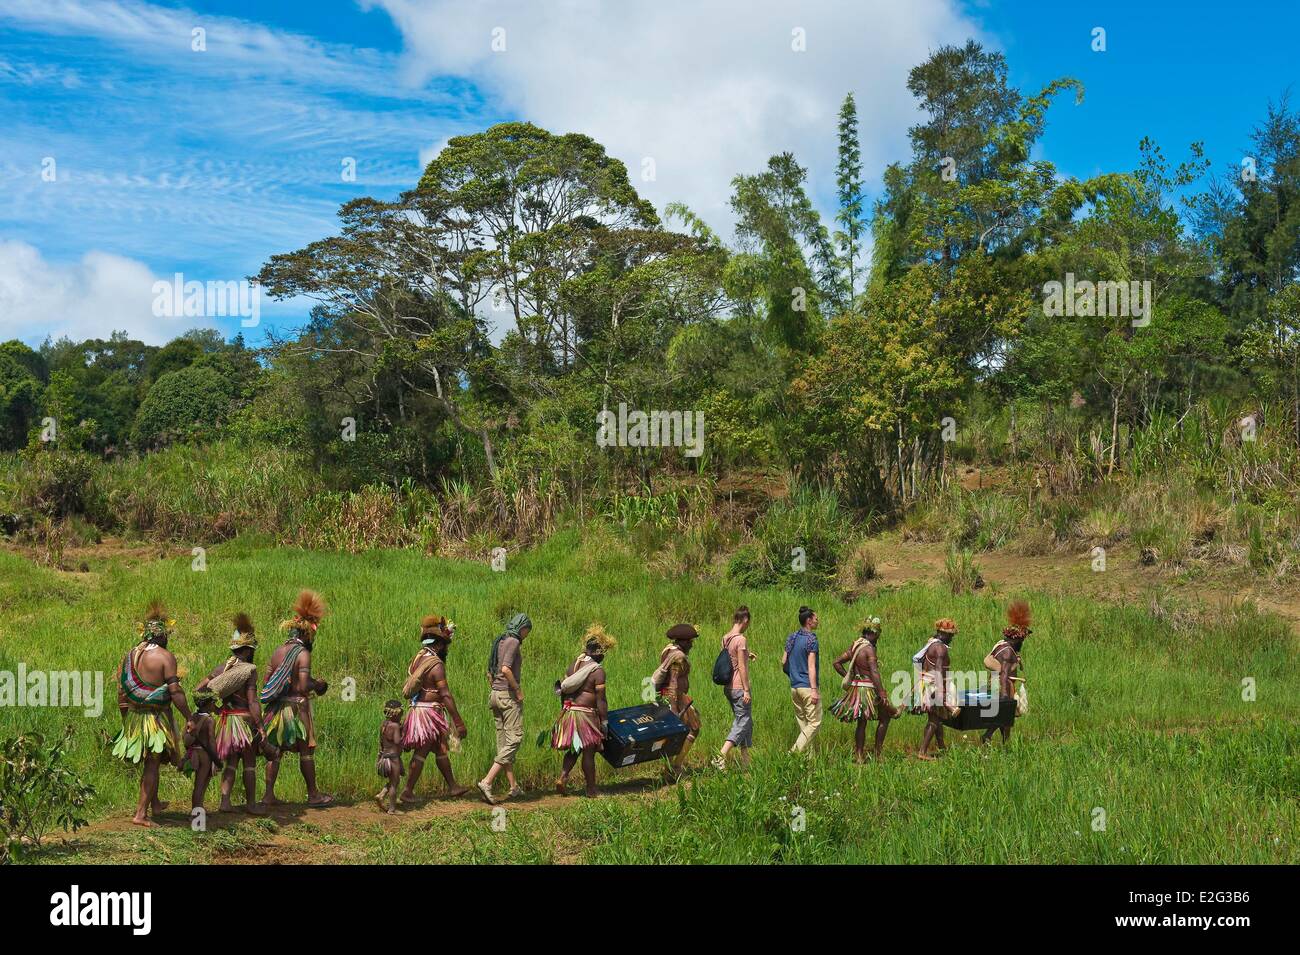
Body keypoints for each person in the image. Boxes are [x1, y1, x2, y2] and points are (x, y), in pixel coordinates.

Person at [111, 600, 191, 827]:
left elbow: (122, 692)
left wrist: (125, 721)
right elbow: (175, 692)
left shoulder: (130, 655)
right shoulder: (165, 657)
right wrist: (189, 716)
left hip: (135, 717)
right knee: (153, 763)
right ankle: (140, 814)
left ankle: (155, 803)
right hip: (153, 719)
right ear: (162, 635)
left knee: (150, 761)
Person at [260, 590, 333, 807]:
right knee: (306, 751)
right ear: (306, 634)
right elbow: (302, 686)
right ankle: (313, 795)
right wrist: (318, 685)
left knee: (276, 752)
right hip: (296, 709)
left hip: (277, 709)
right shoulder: (303, 653)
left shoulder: (277, 651)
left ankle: (268, 795)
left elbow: (267, 681)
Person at [197, 613, 270, 815]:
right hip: (243, 722)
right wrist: (261, 726)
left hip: (225, 721)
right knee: (249, 763)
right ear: (247, 651)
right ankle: (252, 804)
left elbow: (199, 690)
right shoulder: (249, 670)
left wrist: (216, 709)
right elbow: (253, 701)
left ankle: (225, 802)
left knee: (231, 762)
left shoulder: (221, 668)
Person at [399, 614, 470, 801]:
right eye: (446, 645)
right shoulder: (436, 664)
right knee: (422, 751)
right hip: (428, 713)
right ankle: (407, 791)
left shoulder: (419, 657)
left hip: (421, 709)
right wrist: (458, 722)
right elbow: (445, 695)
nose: (447, 649)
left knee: (440, 748)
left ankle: (453, 786)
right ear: (439, 644)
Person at [552, 624, 615, 798]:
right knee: (588, 750)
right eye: (603, 653)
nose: (604, 656)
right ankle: (591, 790)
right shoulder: (597, 671)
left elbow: (564, 690)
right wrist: (604, 721)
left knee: (574, 748)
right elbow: (601, 699)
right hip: (585, 715)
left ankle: (563, 778)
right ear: (598, 652)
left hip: (570, 711)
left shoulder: (574, 664)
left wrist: (563, 710)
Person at [477, 612, 532, 805]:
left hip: (495, 696)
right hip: (507, 697)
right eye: (527, 631)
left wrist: (496, 688)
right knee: (515, 739)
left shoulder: (500, 641)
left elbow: (489, 672)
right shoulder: (513, 642)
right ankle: (487, 781)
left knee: (504, 744)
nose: (527, 635)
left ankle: (513, 787)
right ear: (522, 628)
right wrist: (517, 690)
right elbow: (506, 669)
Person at [830, 616, 901, 762]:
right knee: (885, 717)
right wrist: (882, 693)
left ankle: (859, 755)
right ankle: (878, 754)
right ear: (874, 633)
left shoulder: (855, 647)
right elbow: (874, 672)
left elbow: (836, 662)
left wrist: (851, 677)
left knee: (862, 723)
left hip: (856, 690)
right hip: (869, 690)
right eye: (878, 635)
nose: (878, 638)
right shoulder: (869, 649)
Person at [653, 623, 701, 776]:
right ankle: (675, 767)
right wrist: (674, 708)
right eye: (690, 642)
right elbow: (673, 681)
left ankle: (670, 766)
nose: (691, 645)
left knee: (675, 733)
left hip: (671, 695)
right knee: (694, 727)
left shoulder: (669, 649)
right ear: (684, 641)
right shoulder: (679, 657)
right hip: (675, 697)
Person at [712, 606, 755, 771]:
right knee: (742, 721)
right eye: (748, 623)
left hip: (728, 688)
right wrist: (746, 689)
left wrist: (747, 653)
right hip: (738, 687)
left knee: (746, 722)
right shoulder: (741, 639)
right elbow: (742, 667)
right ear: (745, 620)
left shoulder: (726, 638)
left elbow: (732, 657)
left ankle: (745, 762)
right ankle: (721, 756)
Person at [982, 601, 1031, 746]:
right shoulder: (1008, 652)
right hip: (1004, 685)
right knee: (1005, 714)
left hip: (1003, 684)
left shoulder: (1002, 645)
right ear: (1016, 639)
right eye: (1022, 639)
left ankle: (1006, 743)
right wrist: (1005, 696)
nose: (1023, 642)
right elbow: (1003, 674)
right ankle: (988, 735)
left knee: (1007, 716)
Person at [913, 618, 958, 760]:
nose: (951, 638)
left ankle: (942, 747)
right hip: (934, 686)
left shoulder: (932, 644)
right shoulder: (940, 648)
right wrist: (941, 692)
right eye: (950, 636)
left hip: (928, 683)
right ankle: (922, 752)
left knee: (937, 719)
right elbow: (938, 670)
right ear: (943, 634)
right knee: (933, 720)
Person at [782, 606, 822, 753]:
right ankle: (793, 753)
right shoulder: (812, 639)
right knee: (814, 723)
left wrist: (794, 675)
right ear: (809, 621)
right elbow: (811, 666)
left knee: (804, 725)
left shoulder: (791, 637)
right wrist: (814, 690)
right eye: (816, 619)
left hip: (794, 687)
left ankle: (809, 760)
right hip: (807, 687)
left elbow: (783, 661)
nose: (818, 621)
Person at [181, 690, 221, 812]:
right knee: (200, 784)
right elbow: (211, 741)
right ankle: (196, 814)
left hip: (193, 752)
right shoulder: (210, 720)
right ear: (208, 704)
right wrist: (216, 759)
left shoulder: (192, 717)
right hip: (205, 755)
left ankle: (199, 808)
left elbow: (184, 736)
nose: (215, 706)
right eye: (214, 703)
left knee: (199, 783)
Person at [375, 700, 405, 814]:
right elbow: (397, 741)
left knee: (394, 780)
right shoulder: (395, 726)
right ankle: (392, 809)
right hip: (393, 758)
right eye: (401, 714)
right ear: (396, 714)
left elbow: (381, 742)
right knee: (394, 783)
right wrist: (403, 733)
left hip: (385, 755)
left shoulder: (384, 724)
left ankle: (382, 794)